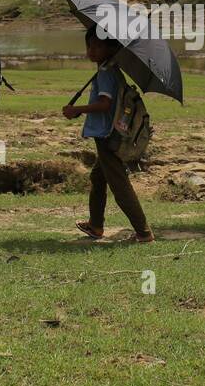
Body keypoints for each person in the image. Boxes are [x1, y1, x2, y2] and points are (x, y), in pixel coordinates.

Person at [64, 25, 153, 243]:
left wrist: (77, 109)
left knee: (119, 183)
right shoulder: (111, 70)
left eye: (98, 46)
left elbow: (104, 105)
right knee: (98, 176)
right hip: (111, 133)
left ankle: (143, 232)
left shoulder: (105, 73)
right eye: (89, 45)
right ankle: (96, 225)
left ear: (112, 48)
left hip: (107, 135)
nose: (92, 50)